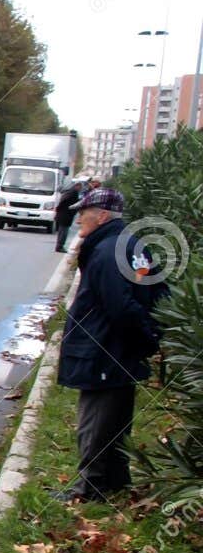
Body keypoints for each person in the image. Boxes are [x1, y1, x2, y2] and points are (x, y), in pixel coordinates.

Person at [56, 188, 164, 502]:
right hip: (121, 351)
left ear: (102, 216)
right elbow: (159, 293)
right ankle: (116, 482)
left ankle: (90, 490)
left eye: (83, 213)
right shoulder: (132, 246)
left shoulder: (107, 251)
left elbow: (120, 306)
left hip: (104, 350)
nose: (78, 220)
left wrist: (146, 339)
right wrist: (148, 339)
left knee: (96, 422)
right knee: (116, 421)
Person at [53, 177, 82, 253]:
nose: (80, 188)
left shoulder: (70, 191)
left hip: (64, 214)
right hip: (66, 214)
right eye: (80, 186)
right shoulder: (73, 192)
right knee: (63, 231)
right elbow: (64, 201)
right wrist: (64, 208)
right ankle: (60, 246)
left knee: (62, 231)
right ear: (76, 186)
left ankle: (59, 246)